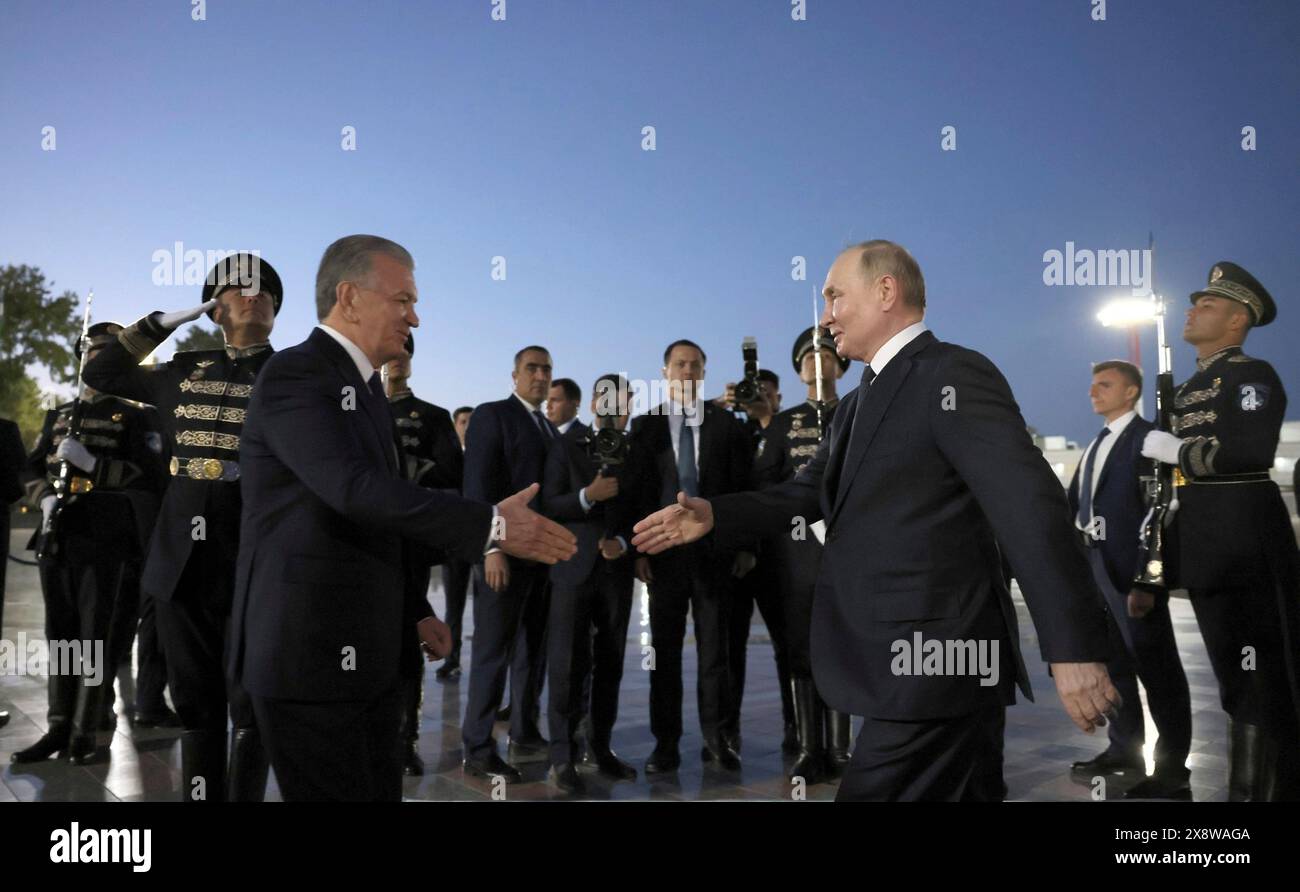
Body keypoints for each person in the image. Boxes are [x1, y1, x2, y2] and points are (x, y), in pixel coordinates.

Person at [634, 240, 1120, 801]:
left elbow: (1029, 506)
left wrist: (1072, 645)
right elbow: (807, 491)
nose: (826, 316)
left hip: (938, 661)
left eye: (836, 296)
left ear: (886, 291)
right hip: (904, 665)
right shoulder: (856, 403)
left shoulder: (952, 374)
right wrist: (717, 513)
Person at [228, 234, 575, 802]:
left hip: (369, 654)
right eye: (404, 300)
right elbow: (353, 489)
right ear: (349, 297)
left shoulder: (365, 388)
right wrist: (490, 524)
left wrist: (414, 609)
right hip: (308, 655)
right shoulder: (298, 373)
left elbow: (378, 516)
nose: (414, 317)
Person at [82, 252, 281, 801]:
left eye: (264, 291)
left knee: (252, 697)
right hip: (180, 557)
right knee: (194, 700)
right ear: (215, 309)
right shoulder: (181, 371)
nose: (254, 295)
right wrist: (159, 323)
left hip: (255, 553)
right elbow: (100, 372)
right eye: (239, 289)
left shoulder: (291, 375)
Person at [1140, 261, 1300, 801]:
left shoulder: (1251, 375)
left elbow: (1250, 450)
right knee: (1235, 680)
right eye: (1194, 304)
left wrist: (1178, 451)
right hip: (1208, 550)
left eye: (1207, 305)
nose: (1193, 311)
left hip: (1247, 544)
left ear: (1237, 320)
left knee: (1264, 678)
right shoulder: (1187, 388)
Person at [12, 323, 167, 765]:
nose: (96, 357)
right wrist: (43, 498)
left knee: (96, 637)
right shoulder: (60, 414)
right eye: (91, 350)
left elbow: (150, 476)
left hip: (106, 538)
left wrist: (94, 465)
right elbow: (30, 467)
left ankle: (88, 726)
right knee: (60, 635)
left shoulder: (136, 416)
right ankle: (58, 724)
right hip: (58, 535)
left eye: (107, 351)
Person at [1066, 360, 1192, 799]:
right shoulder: (1097, 442)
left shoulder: (1147, 440)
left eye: (1104, 385)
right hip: (1095, 569)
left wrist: (1148, 581)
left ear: (1131, 392)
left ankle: (1172, 768)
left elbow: (1160, 514)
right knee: (1115, 667)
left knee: (1159, 672)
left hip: (1130, 574)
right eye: (1092, 384)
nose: (1093, 392)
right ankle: (1124, 751)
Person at [629, 339, 755, 774]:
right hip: (662, 554)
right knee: (664, 653)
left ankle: (717, 740)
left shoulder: (727, 425)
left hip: (715, 554)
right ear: (665, 371)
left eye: (695, 365)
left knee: (715, 653)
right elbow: (636, 492)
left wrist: (745, 545)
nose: (687, 371)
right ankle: (665, 744)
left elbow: (743, 489)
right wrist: (638, 551)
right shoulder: (645, 426)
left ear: (703, 372)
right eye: (679, 364)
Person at [751, 326, 854, 782]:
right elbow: (764, 482)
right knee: (801, 646)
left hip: (849, 546)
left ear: (841, 365)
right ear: (798, 371)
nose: (817, 362)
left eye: (826, 354)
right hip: (797, 552)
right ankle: (810, 748)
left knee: (844, 645)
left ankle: (841, 748)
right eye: (808, 358)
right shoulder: (783, 423)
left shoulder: (858, 411)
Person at [461, 346, 560, 781]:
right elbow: (478, 487)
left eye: (546, 369)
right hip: (503, 555)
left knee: (531, 652)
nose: (540, 375)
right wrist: (491, 548)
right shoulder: (493, 415)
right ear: (515, 375)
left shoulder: (549, 428)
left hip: (541, 559)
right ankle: (478, 747)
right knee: (492, 653)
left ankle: (524, 730)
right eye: (531, 368)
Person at [541, 373, 640, 793]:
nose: (615, 407)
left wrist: (624, 542)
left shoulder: (636, 450)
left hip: (616, 572)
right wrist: (588, 495)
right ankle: (562, 756)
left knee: (610, 662)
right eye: (607, 398)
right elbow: (549, 503)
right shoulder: (567, 445)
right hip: (571, 566)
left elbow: (643, 506)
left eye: (623, 400)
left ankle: (600, 748)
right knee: (566, 662)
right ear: (595, 404)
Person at [385, 334, 465, 775]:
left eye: (406, 351)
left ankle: (405, 738)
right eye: (392, 350)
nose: (398, 358)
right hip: (356, 545)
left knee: (406, 643)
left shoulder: (431, 417)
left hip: (407, 545)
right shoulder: (352, 406)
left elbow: (453, 477)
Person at [719, 367, 796, 757]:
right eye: (752, 391)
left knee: (789, 646)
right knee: (730, 647)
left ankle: (796, 727)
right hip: (735, 556)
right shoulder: (731, 431)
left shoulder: (789, 430)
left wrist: (767, 418)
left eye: (766, 391)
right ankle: (726, 731)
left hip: (778, 557)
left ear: (779, 397)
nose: (758, 397)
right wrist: (716, 407)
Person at [438, 405, 476, 682]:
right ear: (455, 426)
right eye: (463, 422)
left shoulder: (487, 456)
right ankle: (451, 659)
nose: (468, 427)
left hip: (484, 543)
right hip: (455, 545)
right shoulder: (447, 461)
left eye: (473, 422)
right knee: (454, 606)